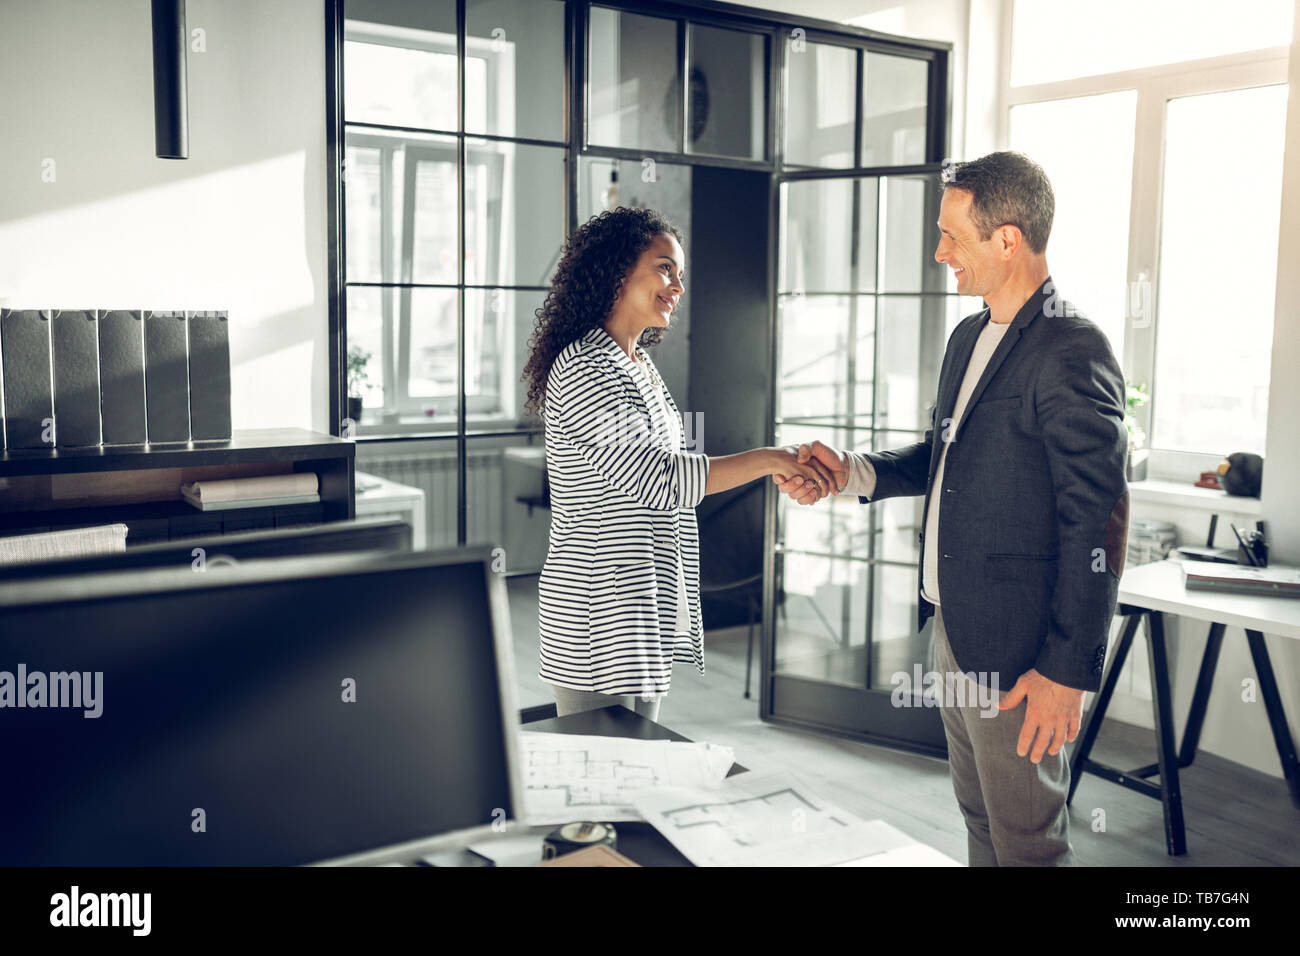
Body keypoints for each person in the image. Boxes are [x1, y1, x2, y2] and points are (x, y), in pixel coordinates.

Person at [775, 151, 1130, 866]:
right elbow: (949, 458)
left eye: (953, 237)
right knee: (980, 826)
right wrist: (851, 474)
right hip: (954, 633)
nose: (940, 252)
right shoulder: (969, 335)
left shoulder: (1072, 347)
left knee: (1028, 844)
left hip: (1021, 653)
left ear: (1006, 239)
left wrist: (1067, 671)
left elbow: (1098, 517)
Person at [525, 206, 836, 722]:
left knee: (634, 783)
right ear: (617, 269)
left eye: (681, 274)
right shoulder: (585, 367)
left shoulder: (635, 363)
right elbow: (660, 478)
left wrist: (775, 462)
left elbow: (672, 466)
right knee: (603, 790)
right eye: (665, 268)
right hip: (598, 618)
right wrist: (770, 458)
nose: (677, 285)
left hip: (638, 611)